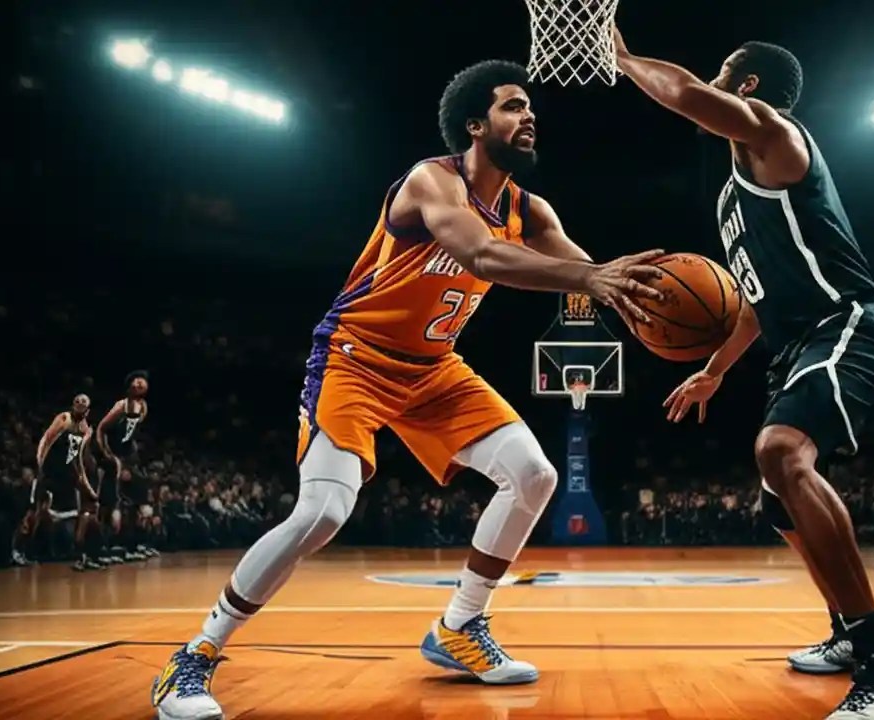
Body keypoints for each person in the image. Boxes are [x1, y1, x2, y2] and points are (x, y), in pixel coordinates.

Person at [150, 59, 665, 720]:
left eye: (530, 106)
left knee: (534, 476)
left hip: (433, 368)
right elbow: (483, 256)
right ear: (475, 125)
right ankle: (194, 655)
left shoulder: (529, 209)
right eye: (513, 106)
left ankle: (458, 627)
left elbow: (584, 270)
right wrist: (592, 280)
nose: (529, 115)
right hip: (355, 359)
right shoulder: (432, 181)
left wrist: (639, 293)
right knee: (323, 512)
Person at [615, 31, 874, 719]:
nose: (710, 81)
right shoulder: (734, 198)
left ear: (748, 87)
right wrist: (714, 371)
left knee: (781, 452)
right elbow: (754, 308)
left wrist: (624, 58)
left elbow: (687, 95)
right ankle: (847, 632)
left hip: (845, 321)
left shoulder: (775, 137)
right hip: (794, 344)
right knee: (776, 501)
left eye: (721, 72)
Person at [31, 394, 99, 570]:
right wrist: (40, 465)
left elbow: (76, 457)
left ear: (88, 410)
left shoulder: (84, 428)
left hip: (67, 476)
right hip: (50, 472)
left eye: (84, 404)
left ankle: (80, 555)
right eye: (78, 403)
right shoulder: (64, 418)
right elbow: (46, 440)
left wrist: (81, 479)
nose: (80, 405)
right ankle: (28, 551)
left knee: (75, 516)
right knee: (40, 513)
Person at [95, 370, 154, 562]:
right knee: (110, 504)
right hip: (112, 457)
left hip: (128, 459)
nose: (140, 383)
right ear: (129, 386)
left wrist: (132, 457)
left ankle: (131, 546)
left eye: (143, 381)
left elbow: (131, 436)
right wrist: (108, 456)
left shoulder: (143, 407)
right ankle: (103, 548)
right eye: (137, 381)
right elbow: (101, 429)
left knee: (136, 502)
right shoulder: (121, 406)